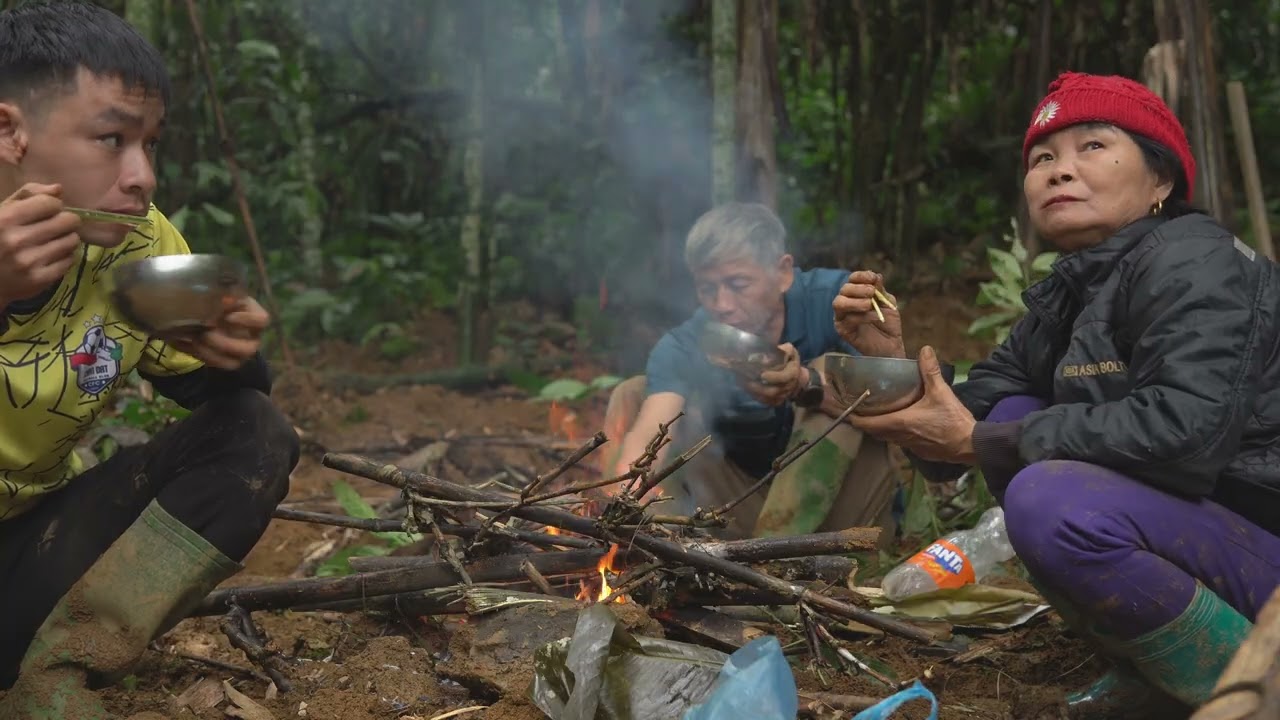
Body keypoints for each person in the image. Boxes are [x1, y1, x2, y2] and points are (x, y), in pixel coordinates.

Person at [835, 71, 1280, 717]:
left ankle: (1245, 688)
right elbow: (975, 416)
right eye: (1043, 158)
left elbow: (1189, 431)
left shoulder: (1196, 262)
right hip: (1214, 533)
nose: (1059, 171)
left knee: (1052, 497)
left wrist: (984, 441)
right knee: (1020, 422)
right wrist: (891, 366)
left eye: (1093, 147)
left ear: (1161, 180)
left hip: (1263, 545)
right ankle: (1153, 671)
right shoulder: (1075, 290)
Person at [0, 3, 300, 718]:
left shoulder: (134, 241)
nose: (141, 177)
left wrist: (232, 355)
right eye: (111, 139)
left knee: (254, 431)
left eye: (151, 145)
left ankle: (55, 679)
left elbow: (224, 410)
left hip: (24, 555)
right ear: (10, 131)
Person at [603, 201, 900, 542]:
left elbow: (896, 397)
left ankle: (775, 560)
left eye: (738, 284)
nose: (722, 305)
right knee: (634, 393)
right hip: (739, 518)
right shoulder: (686, 343)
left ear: (783, 273)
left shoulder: (838, 303)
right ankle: (653, 546)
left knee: (833, 376)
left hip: (843, 524)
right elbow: (649, 437)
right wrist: (620, 497)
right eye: (707, 289)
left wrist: (806, 385)